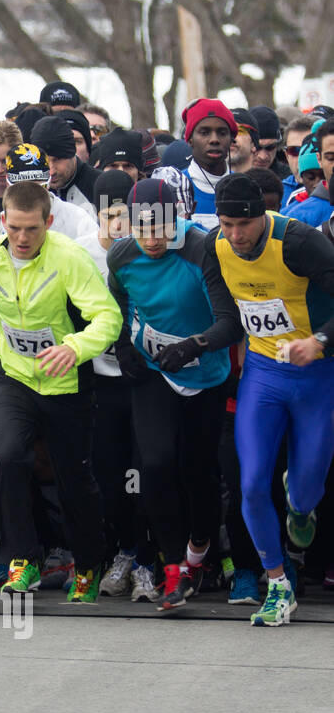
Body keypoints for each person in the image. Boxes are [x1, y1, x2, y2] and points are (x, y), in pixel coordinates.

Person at [0, 181, 122, 602]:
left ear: (48, 223)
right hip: (16, 376)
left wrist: (74, 347)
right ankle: (21, 559)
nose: (22, 239)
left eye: (33, 230)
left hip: (66, 381)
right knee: (5, 457)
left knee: (73, 477)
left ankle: (87, 563)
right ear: (3, 221)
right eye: (15, 229)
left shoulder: (69, 258)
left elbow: (108, 318)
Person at [106, 178, 241, 610]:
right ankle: (173, 569)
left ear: (177, 221)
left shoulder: (201, 250)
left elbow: (229, 323)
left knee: (198, 471)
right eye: (142, 228)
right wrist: (125, 345)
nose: (152, 239)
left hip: (205, 372)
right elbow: (120, 305)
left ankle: (201, 547)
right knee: (157, 463)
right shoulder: (122, 255)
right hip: (154, 374)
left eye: (161, 228)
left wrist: (192, 346)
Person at [207, 174, 334, 626]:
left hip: (317, 375)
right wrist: (197, 343)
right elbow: (227, 319)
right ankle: (278, 584)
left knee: (304, 491)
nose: (236, 235)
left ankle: (300, 505)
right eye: (228, 224)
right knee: (253, 481)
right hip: (262, 373)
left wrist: (317, 341)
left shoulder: (299, 242)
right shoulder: (215, 245)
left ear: (263, 214)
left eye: (245, 224)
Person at [178, 98, 236, 230]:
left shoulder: (245, 187)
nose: (214, 140)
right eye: (204, 133)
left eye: (222, 133)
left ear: (231, 139)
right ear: (190, 139)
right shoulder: (174, 188)